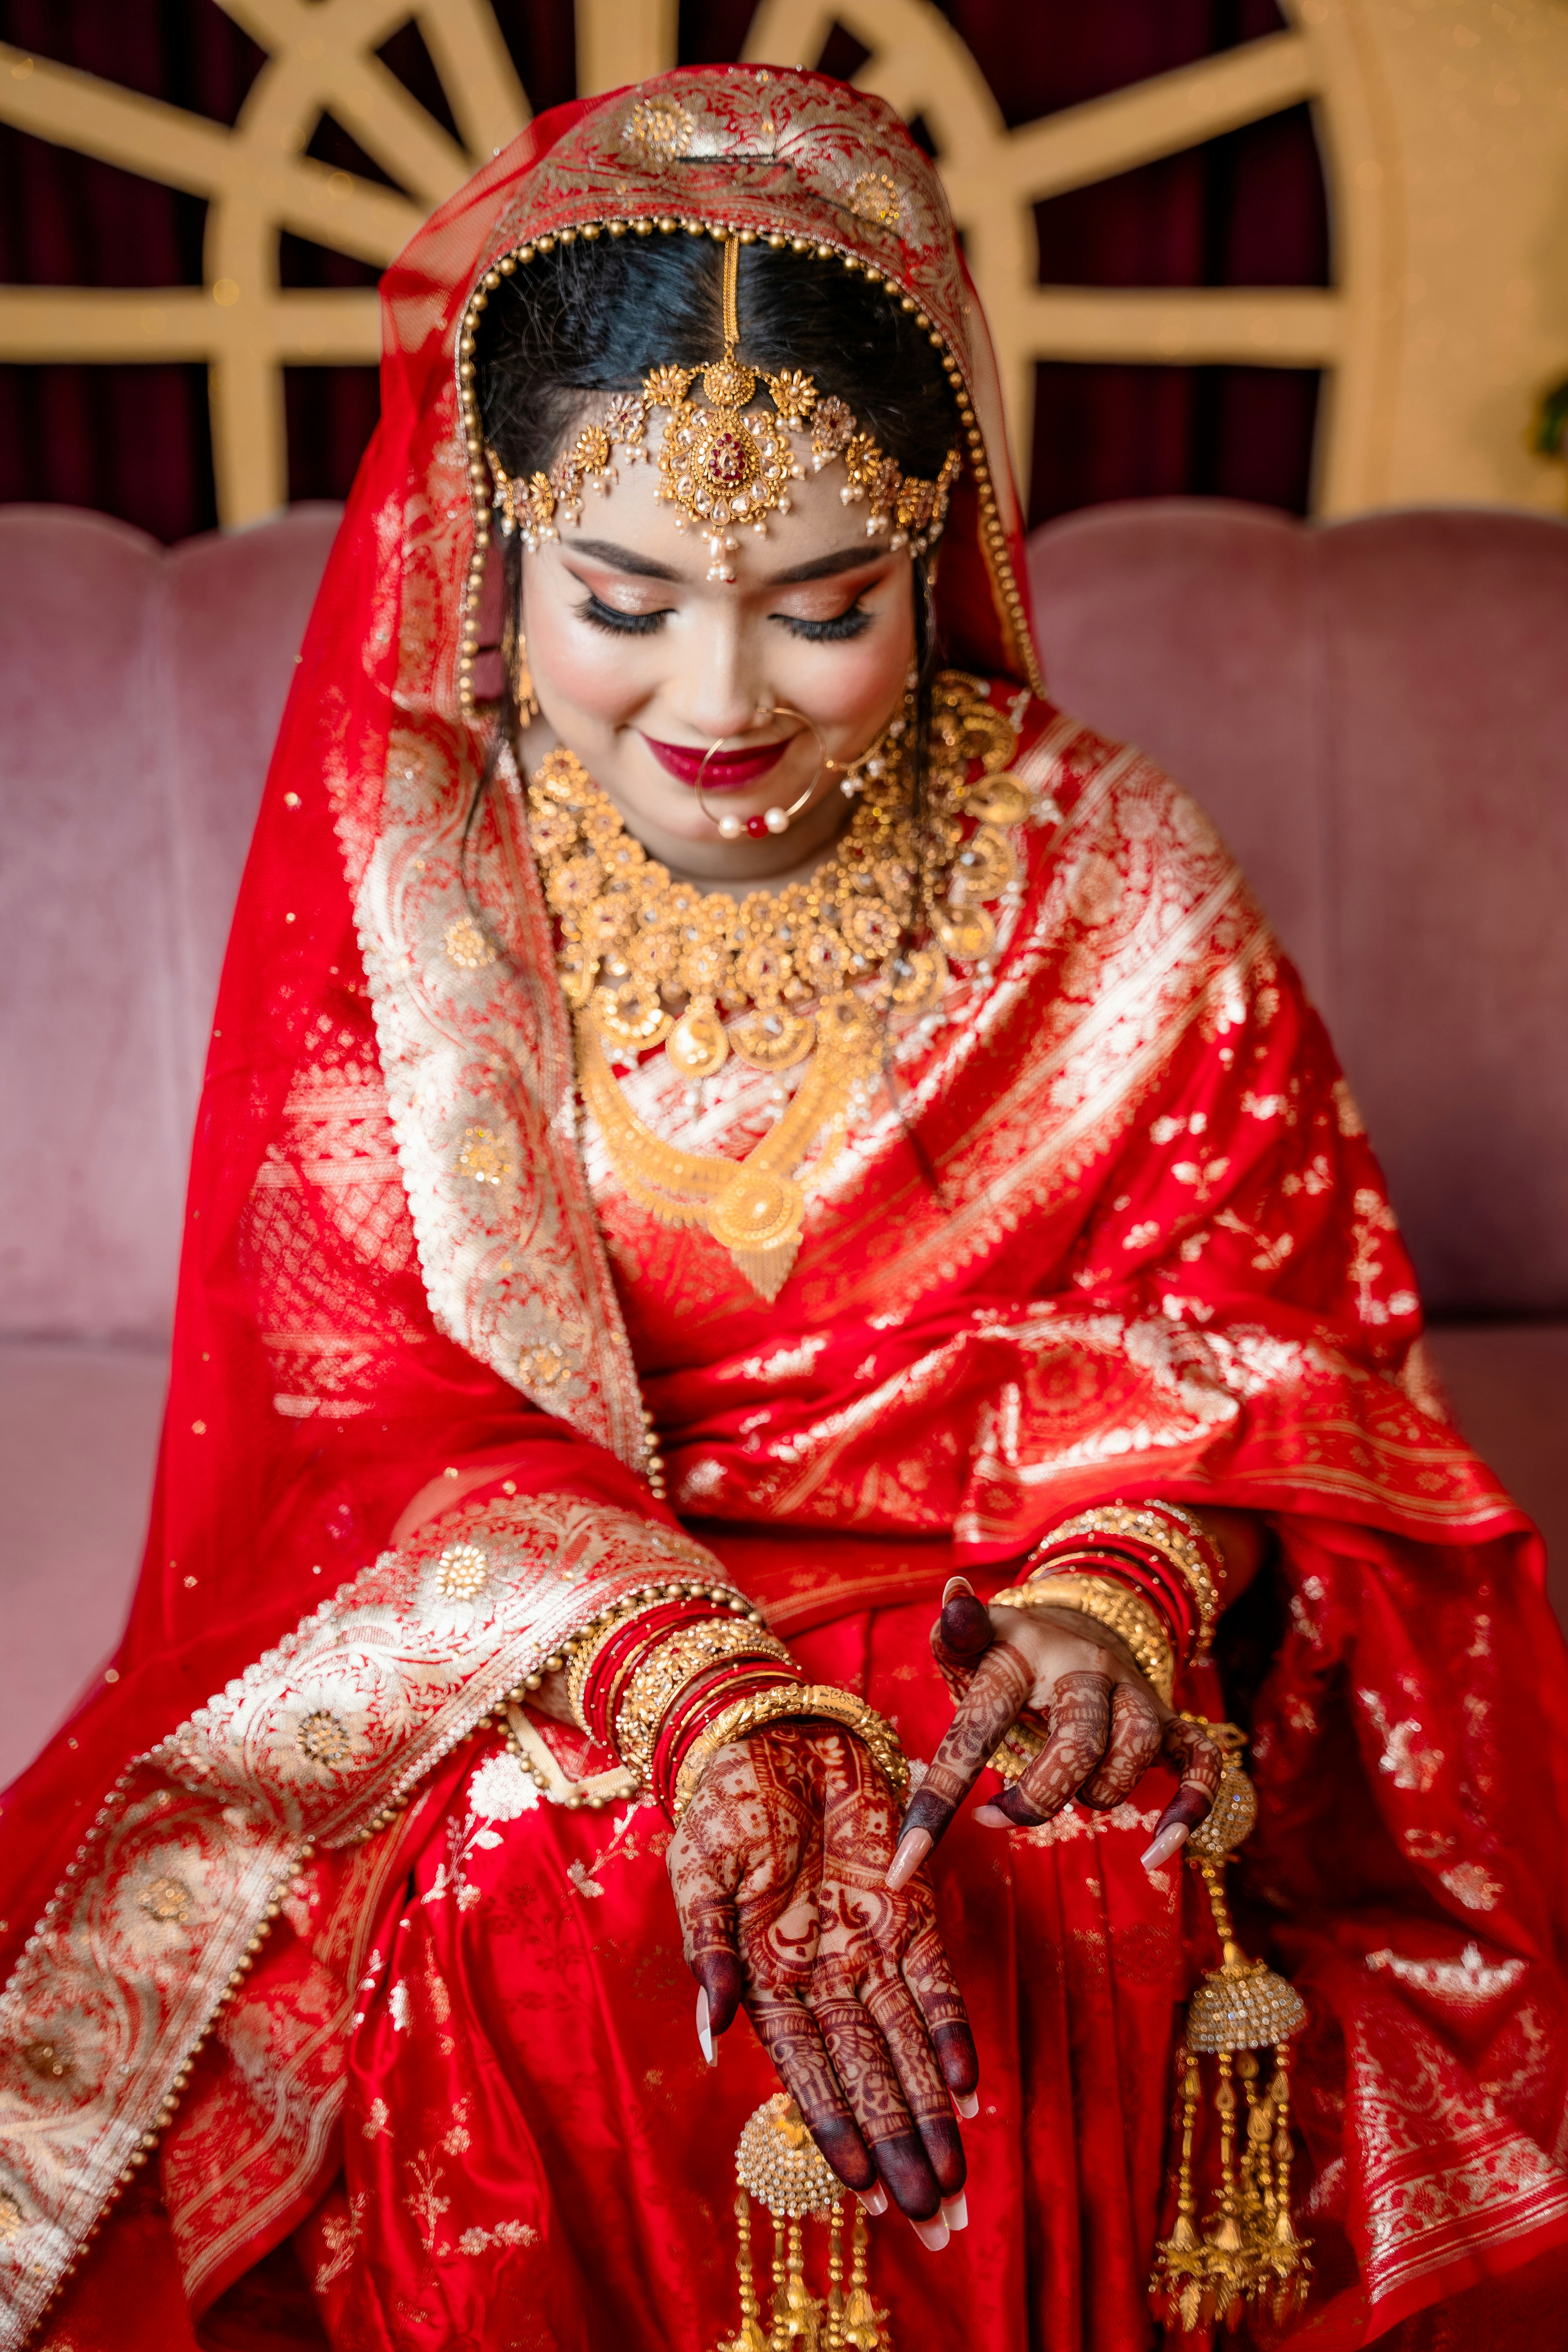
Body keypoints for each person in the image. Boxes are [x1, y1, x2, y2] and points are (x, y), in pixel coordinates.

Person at [2, 64, 1566, 2352]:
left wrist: (1124, 1606)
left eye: (823, 604)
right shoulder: (423, 888)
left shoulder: (1106, 866)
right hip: (567, 1622)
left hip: (1001, 1585)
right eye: (623, 599)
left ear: (938, 546)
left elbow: (1275, 1339)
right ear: (500, 536)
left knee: (1064, 1853)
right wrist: (706, 1701)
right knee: (561, 1876)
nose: (719, 700)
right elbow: (368, 1401)